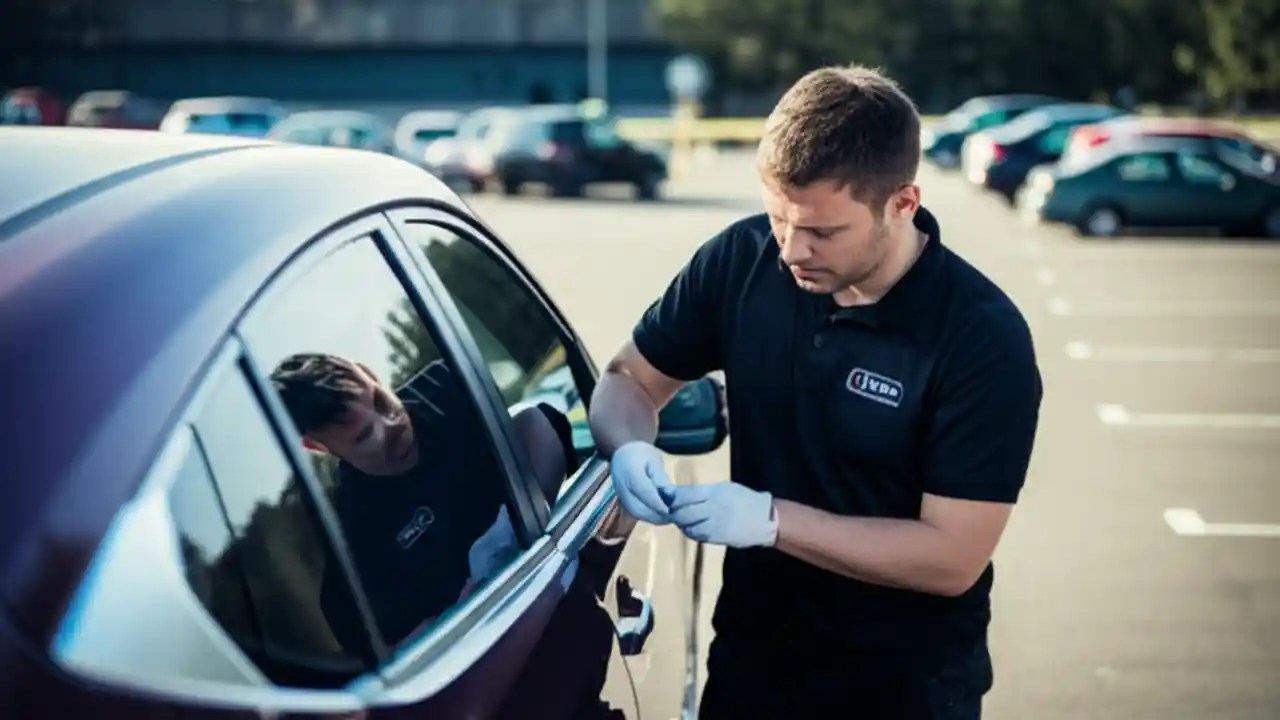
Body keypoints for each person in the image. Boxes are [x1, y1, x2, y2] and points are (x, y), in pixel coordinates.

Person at [588, 65, 1043, 719]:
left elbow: (952, 558)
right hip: (754, 661)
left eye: (824, 232)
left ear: (902, 204)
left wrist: (772, 521)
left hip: (904, 685)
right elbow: (629, 380)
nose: (793, 250)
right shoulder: (741, 260)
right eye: (780, 219)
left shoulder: (979, 338)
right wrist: (628, 448)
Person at [270, 352, 577, 651]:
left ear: (369, 372)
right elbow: (397, 651)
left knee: (534, 420)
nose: (390, 425)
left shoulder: (451, 383)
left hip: (561, 574)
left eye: (379, 401)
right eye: (364, 436)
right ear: (317, 446)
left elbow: (539, 433)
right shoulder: (356, 539)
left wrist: (515, 534)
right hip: (499, 642)